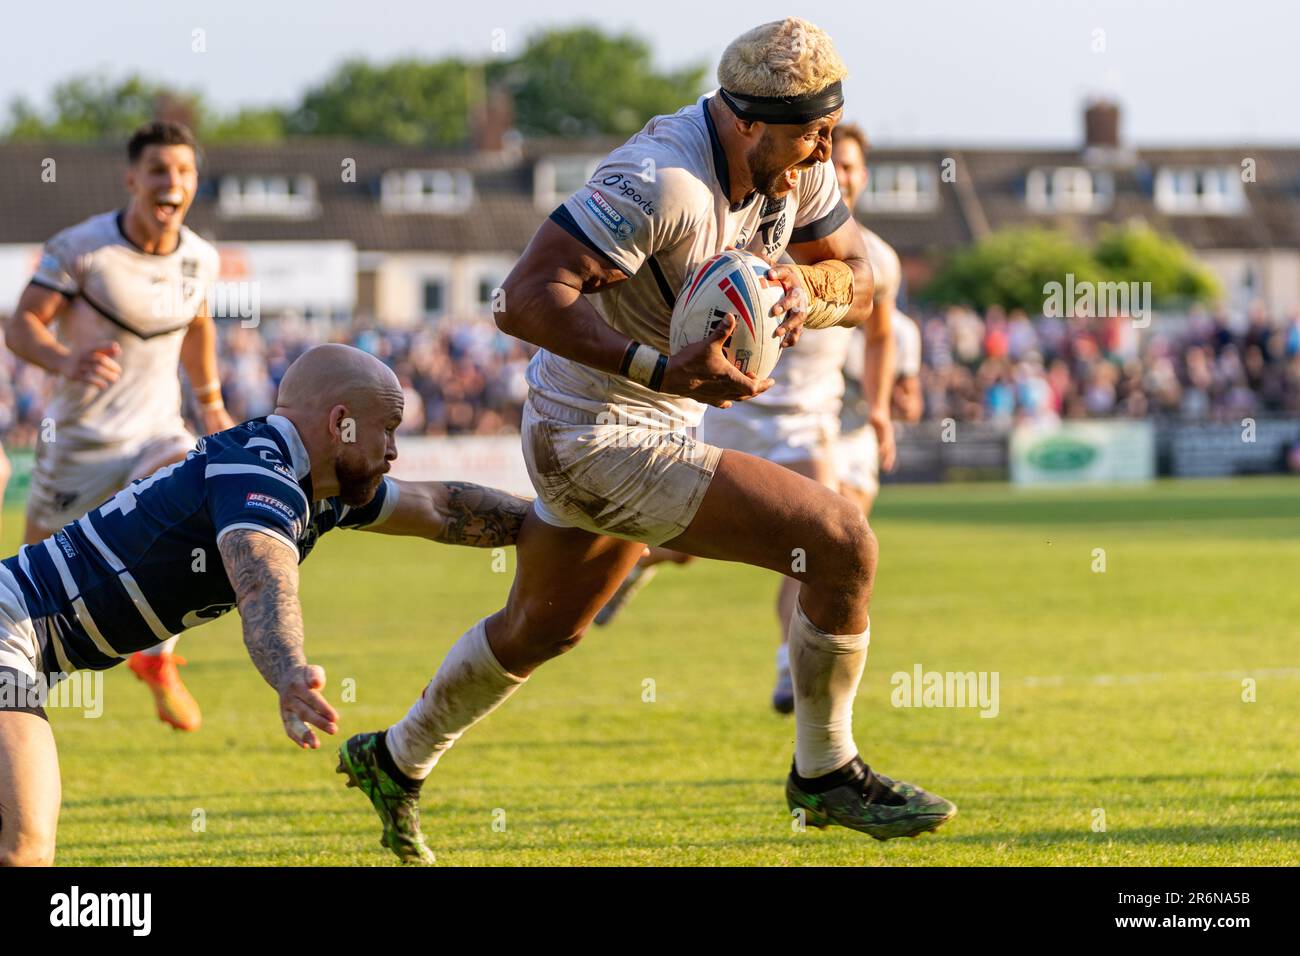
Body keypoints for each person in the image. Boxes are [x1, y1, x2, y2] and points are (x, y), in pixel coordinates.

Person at [337, 17, 956, 865]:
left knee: (541, 629)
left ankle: (395, 758)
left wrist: (803, 288)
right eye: (809, 134)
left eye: (827, 131)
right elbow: (520, 298)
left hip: (655, 422)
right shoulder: (660, 182)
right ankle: (825, 770)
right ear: (746, 123)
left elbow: (862, 281)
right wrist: (658, 367)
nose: (824, 152)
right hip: (591, 432)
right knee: (839, 540)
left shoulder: (795, 165)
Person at [0, 344, 530, 866]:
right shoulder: (258, 476)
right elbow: (262, 583)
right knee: (24, 849)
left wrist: (554, 524)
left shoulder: (317, 487)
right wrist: (290, 671)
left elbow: (438, 507)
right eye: (387, 429)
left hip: (31, 646)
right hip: (9, 628)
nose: (393, 451)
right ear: (340, 423)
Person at [593, 124, 924, 716]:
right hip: (733, 405)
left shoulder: (873, 260)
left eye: (849, 167)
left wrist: (877, 410)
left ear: (862, 175)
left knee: (825, 537)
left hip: (810, 418)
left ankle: (787, 667)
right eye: (832, 166)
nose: (839, 176)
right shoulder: (759, 234)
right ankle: (635, 557)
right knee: (696, 544)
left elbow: (879, 335)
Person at [4, 121, 234, 732]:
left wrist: (210, 402)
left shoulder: (200, 258)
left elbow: (200, 325)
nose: (172, 183)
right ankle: (21, 706)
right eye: (159, 170)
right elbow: (22, 323)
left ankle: (158, 659)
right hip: (78, 444)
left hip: (157, 432)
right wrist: (63, 358)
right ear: (132, 178)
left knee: (195, 481)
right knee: (32, 593)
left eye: (184, 172)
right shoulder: (82, 249)